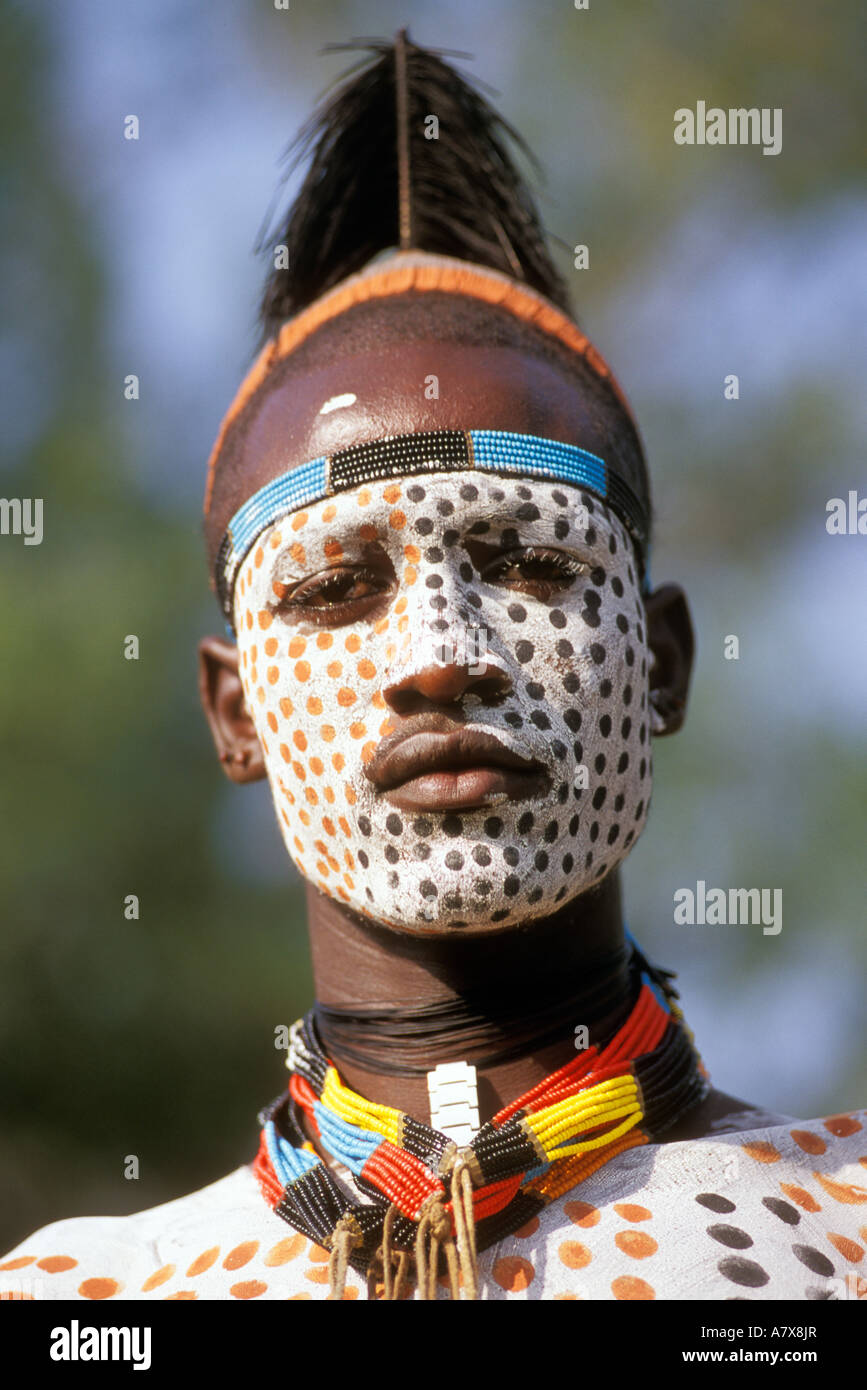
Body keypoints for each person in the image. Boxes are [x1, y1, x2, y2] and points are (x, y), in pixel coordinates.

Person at [2, 32, 864, 1304]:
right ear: (235, 715)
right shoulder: (85, 1300)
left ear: (663, 659)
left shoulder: (840, 1234)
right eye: (337, 590)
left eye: (526, 562)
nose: (442, 657)